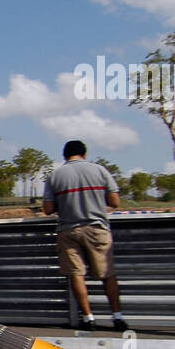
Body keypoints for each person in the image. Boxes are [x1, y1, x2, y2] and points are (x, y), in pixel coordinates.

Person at [42, 140, 127, 331]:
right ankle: (118, 316)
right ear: (84, 154)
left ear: (65, 155)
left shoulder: (55, 175)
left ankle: (88, 318)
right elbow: (115, 201)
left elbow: (47, 209)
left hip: (68, 230)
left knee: (76, 275)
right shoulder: (100, 170)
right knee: (108, 275)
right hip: (97, 228)